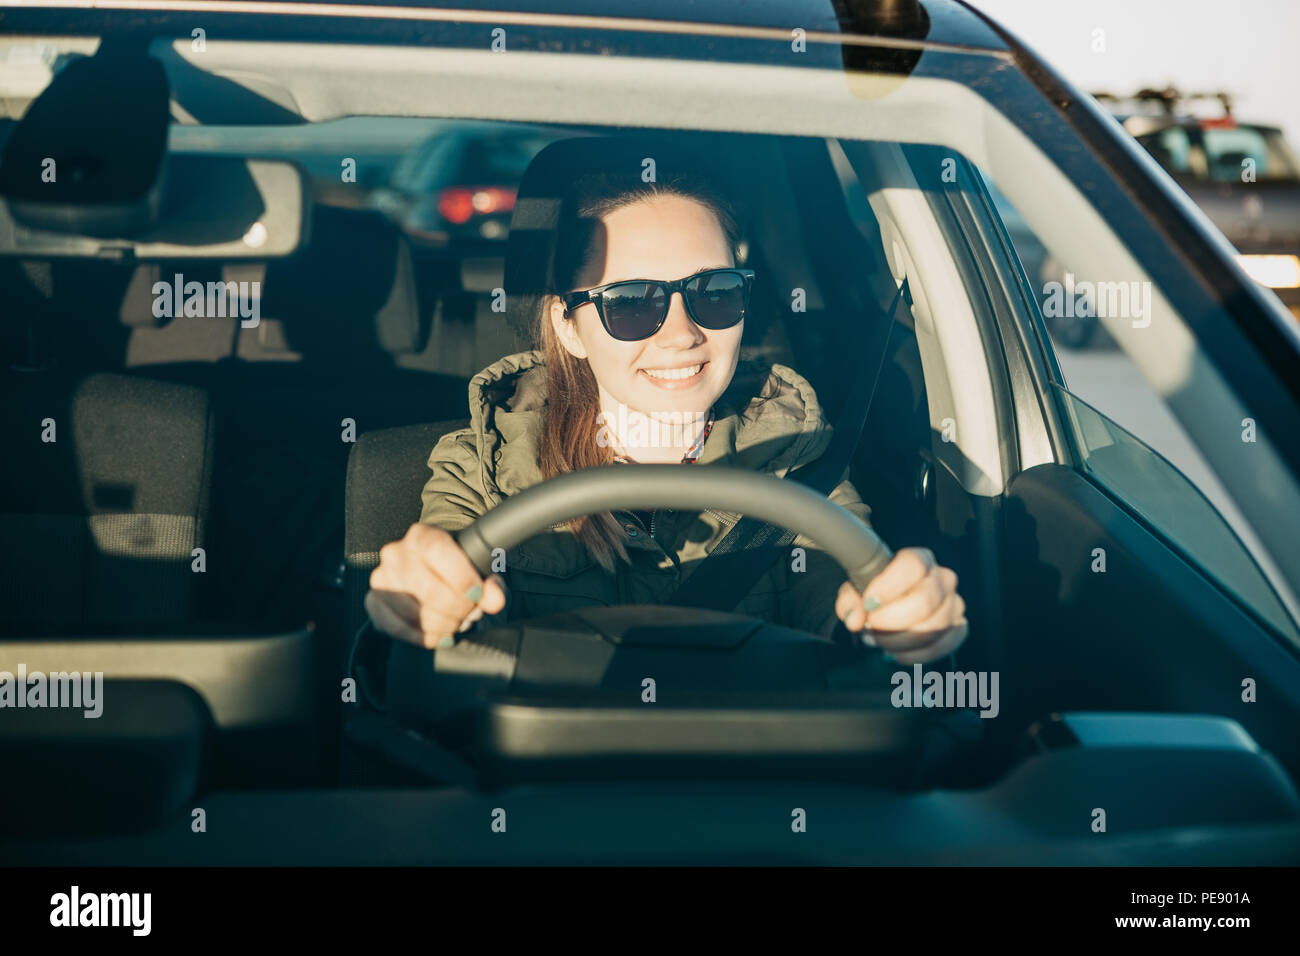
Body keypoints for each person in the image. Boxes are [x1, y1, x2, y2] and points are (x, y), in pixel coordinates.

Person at [364, 168, 967, 667]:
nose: (682, 334)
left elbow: (835, 597)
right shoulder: (484, 463)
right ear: (566, 327)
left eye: (715, 291)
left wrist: (895, 618)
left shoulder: (796, 453)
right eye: (630, 303)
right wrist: (424, 594)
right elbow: (437, 566)